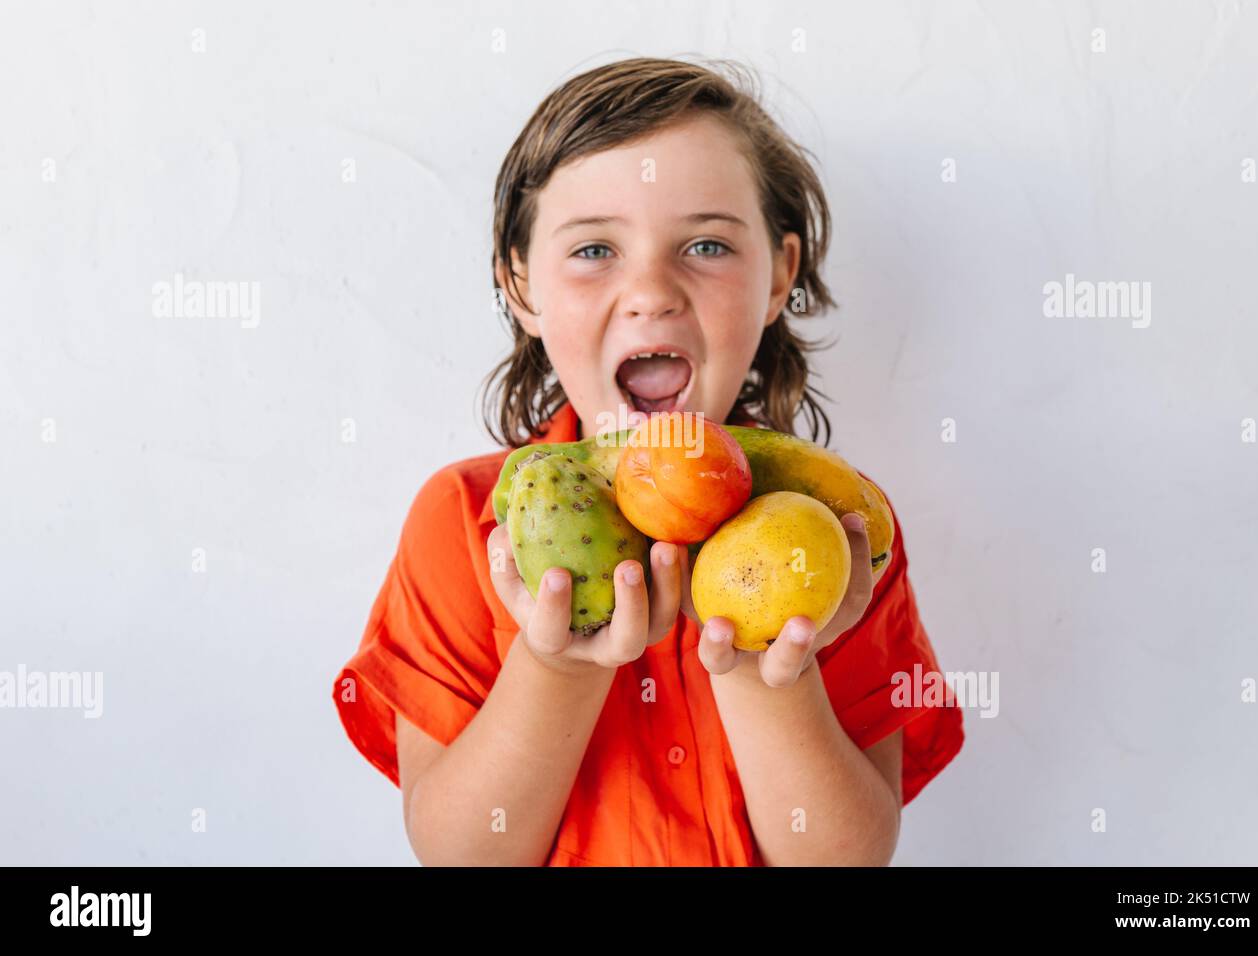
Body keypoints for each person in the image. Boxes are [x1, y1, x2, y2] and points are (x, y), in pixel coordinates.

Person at [332, 56, 963, 866]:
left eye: (705, 244)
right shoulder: (463, 521)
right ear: (521, 286)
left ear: (780, 279)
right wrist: (553, 669)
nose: (651, 292)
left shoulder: (837, 530)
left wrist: (760, 674)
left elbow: (845, 858)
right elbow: (461, 854)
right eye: (594, 250)